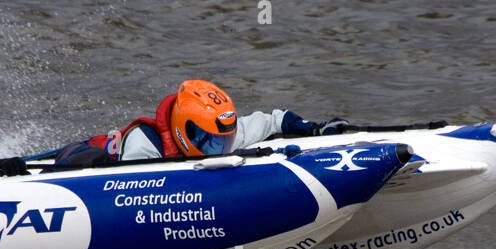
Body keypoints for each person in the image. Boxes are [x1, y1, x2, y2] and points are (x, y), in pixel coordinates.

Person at [53, 79, 352, 167]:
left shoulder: (221, 134)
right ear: (185, 129)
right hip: (84, 159)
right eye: (211, 141)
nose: (219, 148)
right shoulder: (145, 145)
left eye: (224, 140)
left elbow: (272, 120)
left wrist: (315, 127)